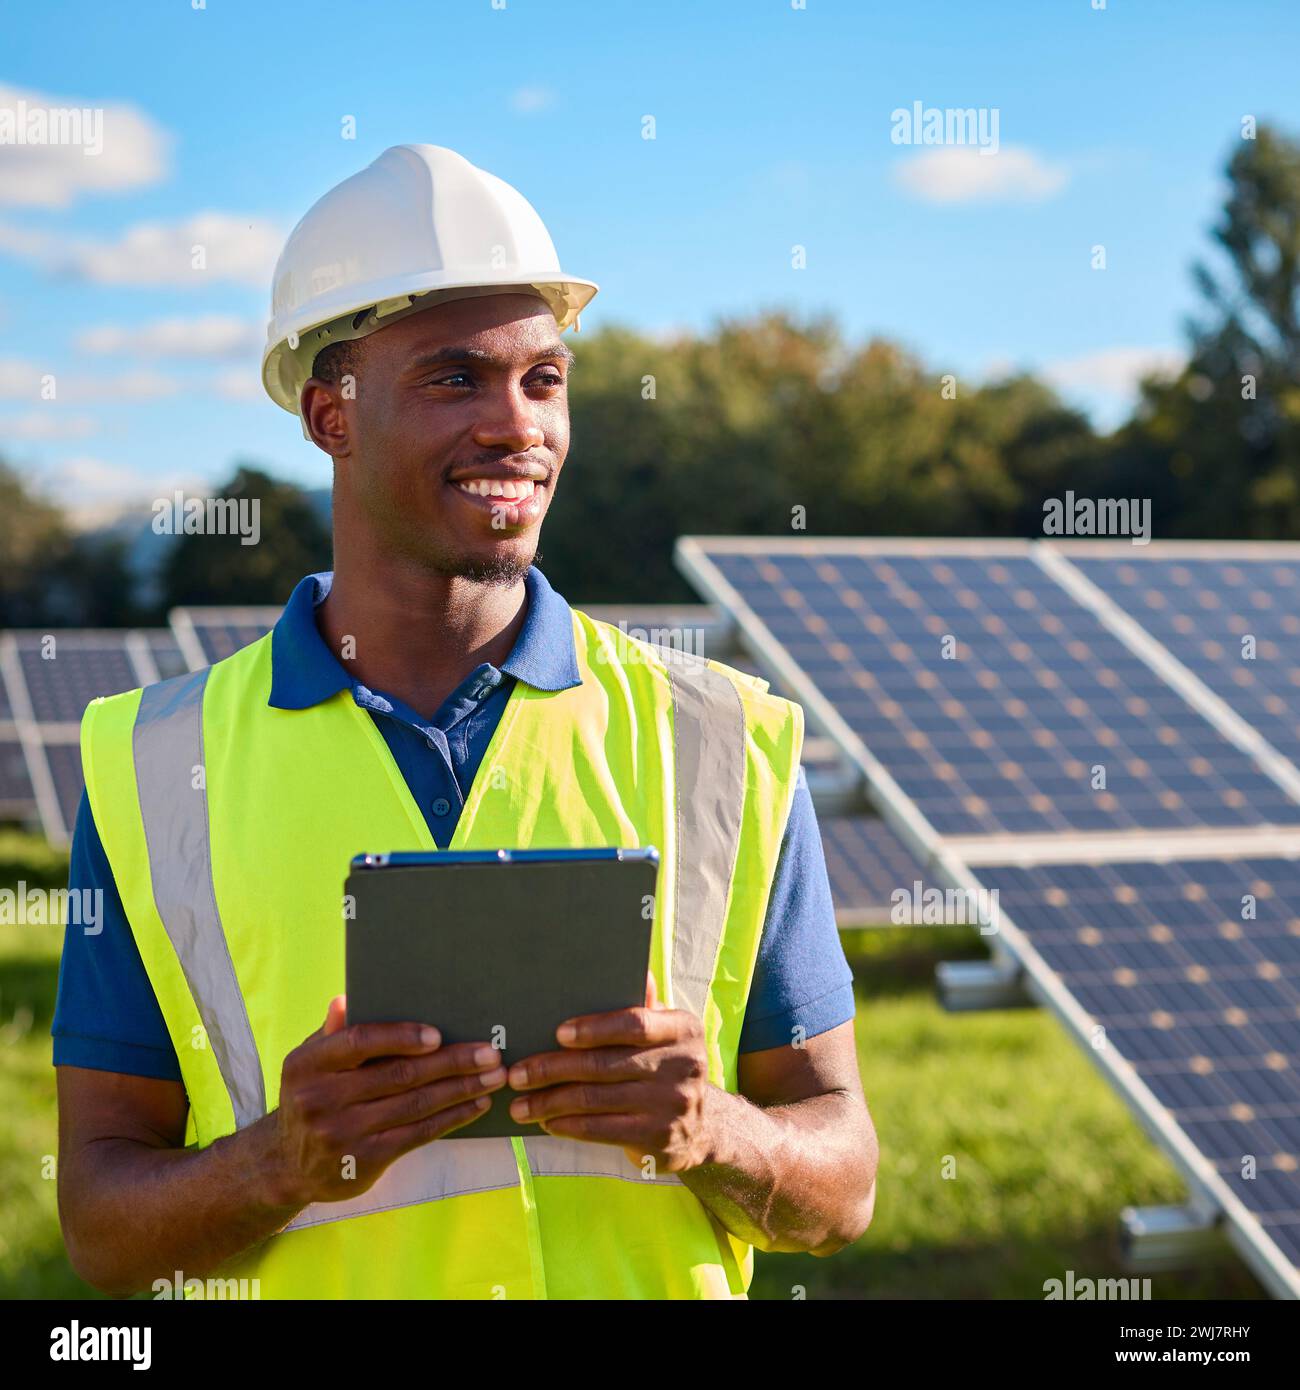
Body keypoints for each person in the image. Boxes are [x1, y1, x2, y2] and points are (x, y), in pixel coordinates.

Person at [52, 145, 877, 1300]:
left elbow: (842, 1188)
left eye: (545, 379)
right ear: (331, 416)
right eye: (455, 380)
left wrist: (716, 1132)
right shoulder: (153, 768)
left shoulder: (724, 742)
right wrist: (280, 1161)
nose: (518, 426)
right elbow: (100, 1231)